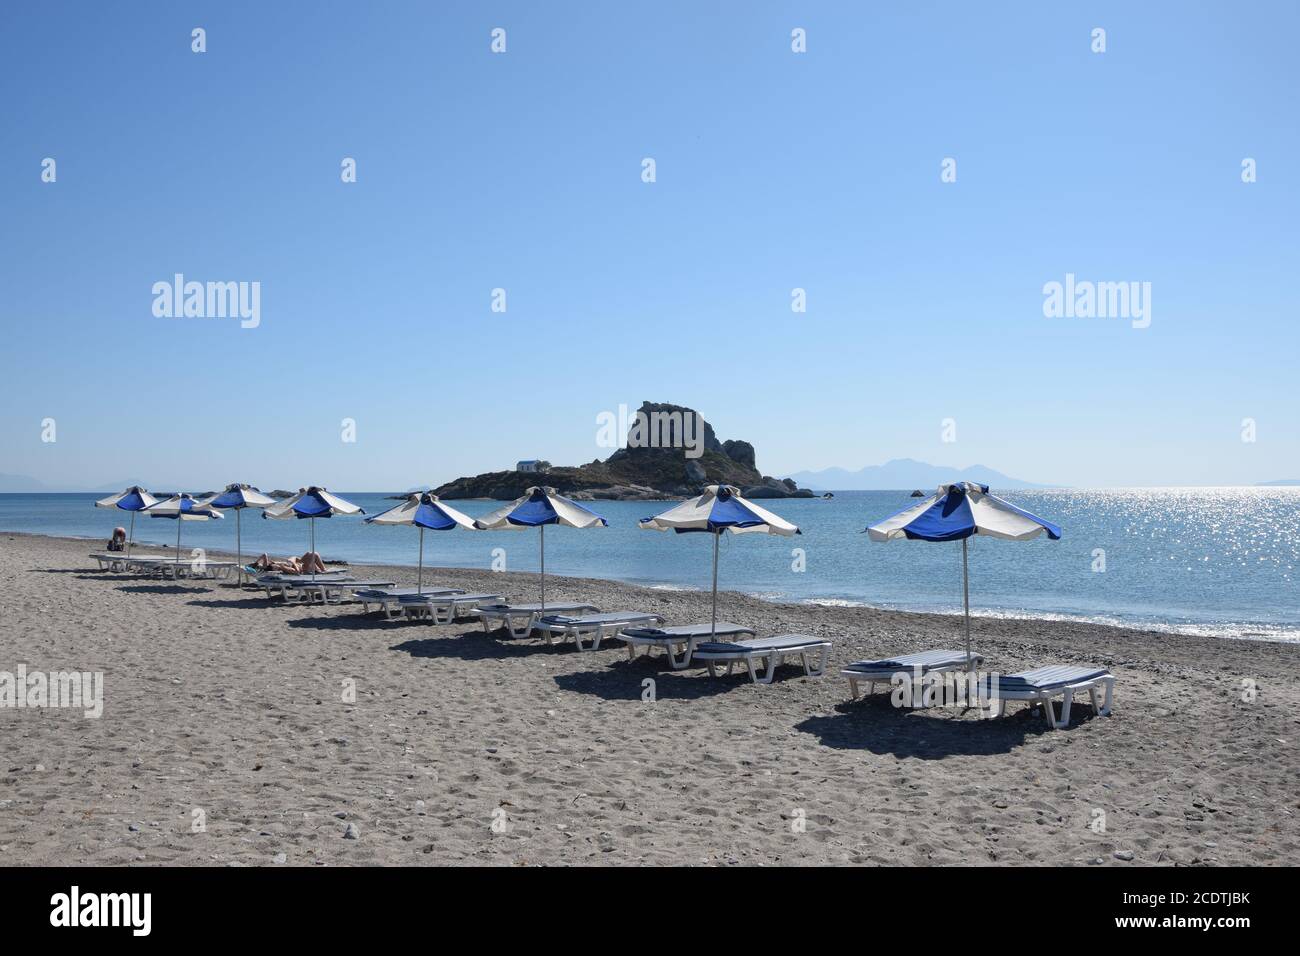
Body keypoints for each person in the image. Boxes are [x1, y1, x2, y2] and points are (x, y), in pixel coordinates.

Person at [250, 551, 326, 574]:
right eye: (274, 566)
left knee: (310, 553)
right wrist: (293, 563)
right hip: (304, 570)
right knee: (313, 554)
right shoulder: (283, 568)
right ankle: (323, 570)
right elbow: (296, 571)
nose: (275, 565)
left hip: (302, 565)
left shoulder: (278, 566)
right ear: (274, 569)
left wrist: (255, 563)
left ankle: (321, 570)